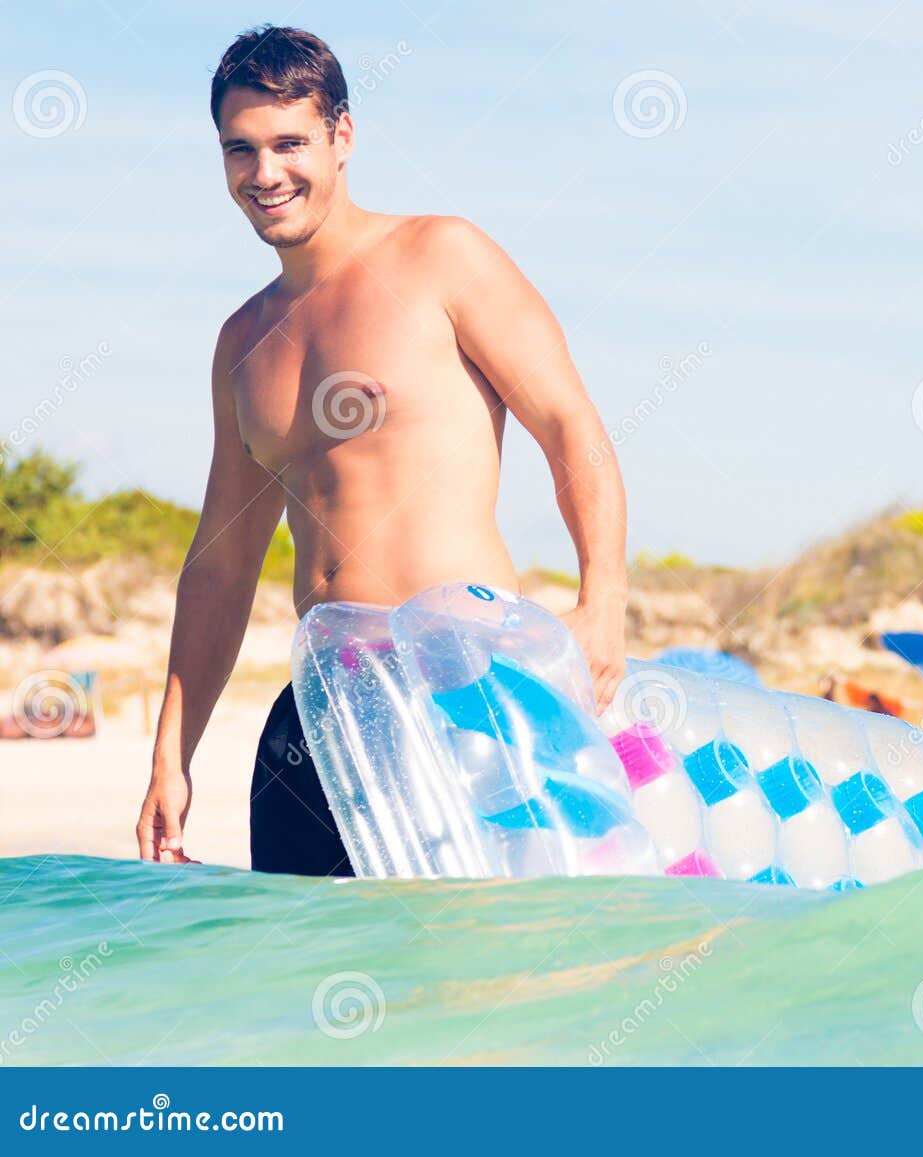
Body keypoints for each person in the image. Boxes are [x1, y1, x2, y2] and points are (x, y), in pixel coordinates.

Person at [136, 25, 629, 876]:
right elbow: (220, 567)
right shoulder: (242, 344)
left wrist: (604, 600)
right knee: (314, 976)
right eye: (240, 149)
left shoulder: (442, 257)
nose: (265, 174)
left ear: (343, 136)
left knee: (484, 975)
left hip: (463, 683)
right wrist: (171, 756)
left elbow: (571, 427)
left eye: (290, 142)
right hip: (322, 711)